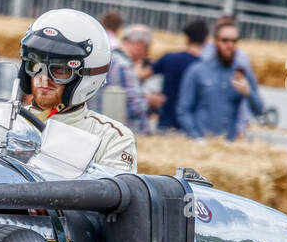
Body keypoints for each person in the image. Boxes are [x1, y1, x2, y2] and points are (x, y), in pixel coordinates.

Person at [18, 9, 137, 172]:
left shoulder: (112, 137)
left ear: (85, 77)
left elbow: (111, 193)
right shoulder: (6, 123)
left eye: (59, 69)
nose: (43, 78)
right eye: (35, 64)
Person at [177, 17, 263, 140]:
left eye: (234, 41)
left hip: (228, 147)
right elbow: (183, 110)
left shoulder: (243, 73)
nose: (230, 45)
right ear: (216, 41)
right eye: (225, 41)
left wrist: (248, 93)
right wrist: (196, 138)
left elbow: (259, 110)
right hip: (200, 144)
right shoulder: (197, 70)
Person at [151, 19, 208, 132]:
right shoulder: (205, 68)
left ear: (186, 38)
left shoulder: (169, 58)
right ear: (205, 41)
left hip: (165, 124)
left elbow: (142, 74)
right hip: (191, 129)